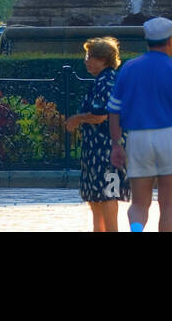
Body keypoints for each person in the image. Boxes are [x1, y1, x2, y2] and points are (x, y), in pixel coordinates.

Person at [107, 17, 172, 232]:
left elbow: (114, 110)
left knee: (139, 203)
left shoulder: (129, 68)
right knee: (169, 205)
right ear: (171, 40)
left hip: (138, 138)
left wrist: (116, 143)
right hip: (171, 137)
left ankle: (136, 229)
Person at [65, 37, 129, 231]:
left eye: (89, 56)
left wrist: (78, 118)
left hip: (106, 149)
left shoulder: (106, 82)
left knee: (107, 196)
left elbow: (100, 115)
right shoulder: (104, 80)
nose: (86, 60)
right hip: (97, 150)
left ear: (102, 59)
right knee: (96, 199)